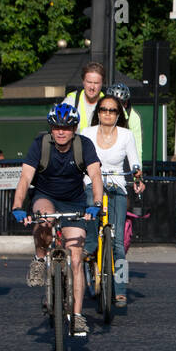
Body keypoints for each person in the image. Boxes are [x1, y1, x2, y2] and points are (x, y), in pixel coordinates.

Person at [11, 103, 104, 337]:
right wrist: (17, 206)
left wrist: (96, 204)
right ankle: (40, 258)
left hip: (74, 202)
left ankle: (78, 316)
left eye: (67, 127)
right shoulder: (40, 145)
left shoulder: (84, 146)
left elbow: (95, 175)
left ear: (74, 129)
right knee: (43, 221)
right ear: (50, 129)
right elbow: (25, 178)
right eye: (56, 127)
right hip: (46, 196)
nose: (61, 132)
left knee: (76, 258)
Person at [80, 93, 144, 307]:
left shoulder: (126, 135)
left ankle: (121, 288)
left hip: (116, 183)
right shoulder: (86, 133)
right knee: (90, 199)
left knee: (117, 243)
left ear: (119, 114)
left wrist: (137, 177)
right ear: (98, 113)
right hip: (92, 181)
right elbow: (80, 159)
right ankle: (90, 243)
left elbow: (135, 163)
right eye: (104, 110)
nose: (107, 114)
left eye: (112, 110)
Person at [105, 82, 145, 162]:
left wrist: (137, 169)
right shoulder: (101, 112)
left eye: (121, 102)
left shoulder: (133, 117)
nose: (116, 106)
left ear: (126, 104)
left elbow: (137, 146)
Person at [62, 61, 106, 131]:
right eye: (89, 82)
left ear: (102, 83)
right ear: (83, 82)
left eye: (96, 83)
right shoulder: (71, 101)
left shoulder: (110, 103)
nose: (92, 87)